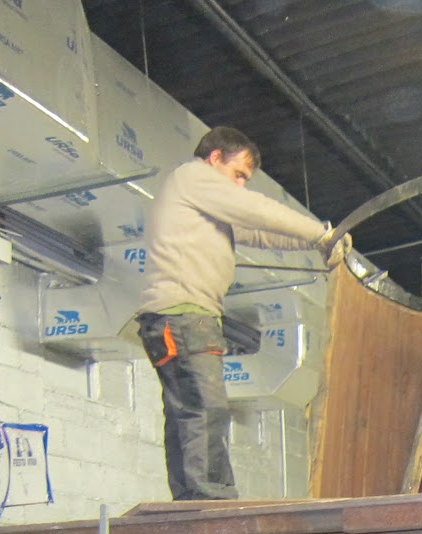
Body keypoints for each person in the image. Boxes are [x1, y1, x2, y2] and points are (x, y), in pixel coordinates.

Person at [136, 126, 348, 501]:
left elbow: (260, 233)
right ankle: (209, 502)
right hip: (186, 316)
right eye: (238, 175)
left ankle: (193, 499)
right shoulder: (193, 177)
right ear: (215, 157)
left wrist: (316, 242)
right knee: (206, 408)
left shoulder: (201, 202)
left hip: (179, 318)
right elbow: (255, 210)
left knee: (189, 411)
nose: (240, 187)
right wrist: (321, 235)